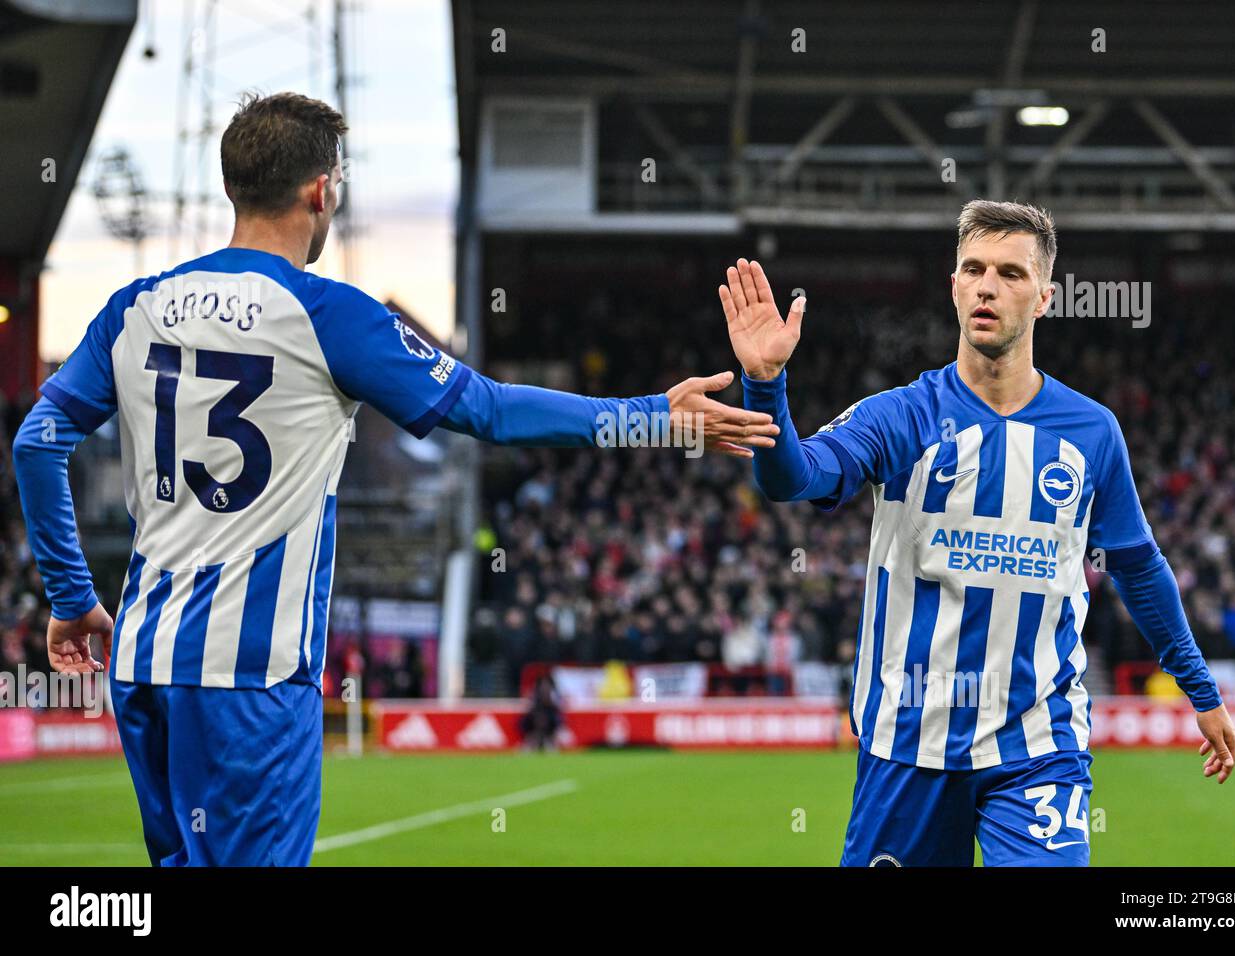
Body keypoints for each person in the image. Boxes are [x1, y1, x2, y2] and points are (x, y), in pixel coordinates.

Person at [11, 91, 778, 867]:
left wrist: (74, 601)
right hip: (252, 675)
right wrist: (656, 416)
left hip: (145, 667)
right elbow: (488, 411)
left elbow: (38, 442)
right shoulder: (328, 315)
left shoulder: (134, 307)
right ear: (322, 190)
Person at [718, 199, 1235, 867]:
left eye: (1011, 273)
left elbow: (1137, 565)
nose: (988, 285)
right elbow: (794, 477)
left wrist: (1201, 690)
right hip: (908, 742)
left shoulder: (1090, 432)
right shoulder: (898, 417)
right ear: (954, 285)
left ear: (1045, 297)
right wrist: (766, 387)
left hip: (1038, 746)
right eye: (973, 268)